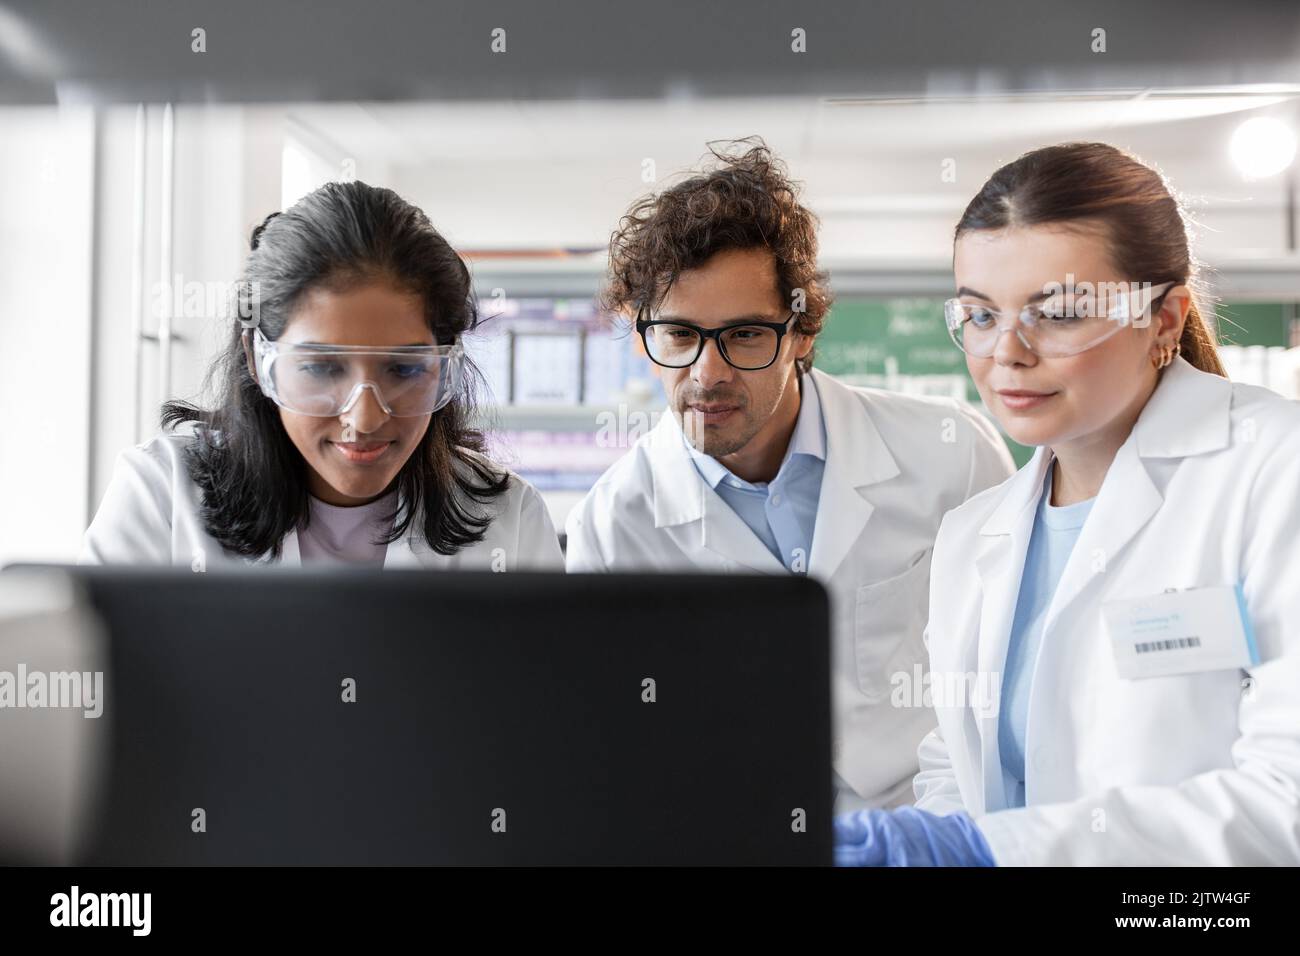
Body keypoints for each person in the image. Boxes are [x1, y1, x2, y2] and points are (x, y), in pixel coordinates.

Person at [836, 142, 1300, 866]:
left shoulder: (1273, 470)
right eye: (980, 316)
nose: (1008, 354)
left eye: (1056, 314)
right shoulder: (972, 536)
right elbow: (957, 772)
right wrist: (929, 840)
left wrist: (979, 850)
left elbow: (1286, 804)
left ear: (1167, 319)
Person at [565, 140, 1015, 814]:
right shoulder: (612, 525)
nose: (707, 373)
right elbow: (618, 739)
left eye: (745, 335)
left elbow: (1012, 673)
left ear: (801, 332)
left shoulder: (949, 453)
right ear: (640, 336)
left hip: (933, 817)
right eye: (680, 335)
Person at [80, 181, 562, 572]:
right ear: (257, 359)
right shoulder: (160, 496)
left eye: (405, 368)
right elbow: (90, 682)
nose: (366, 417)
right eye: (321, 368)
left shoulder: (511, 521)